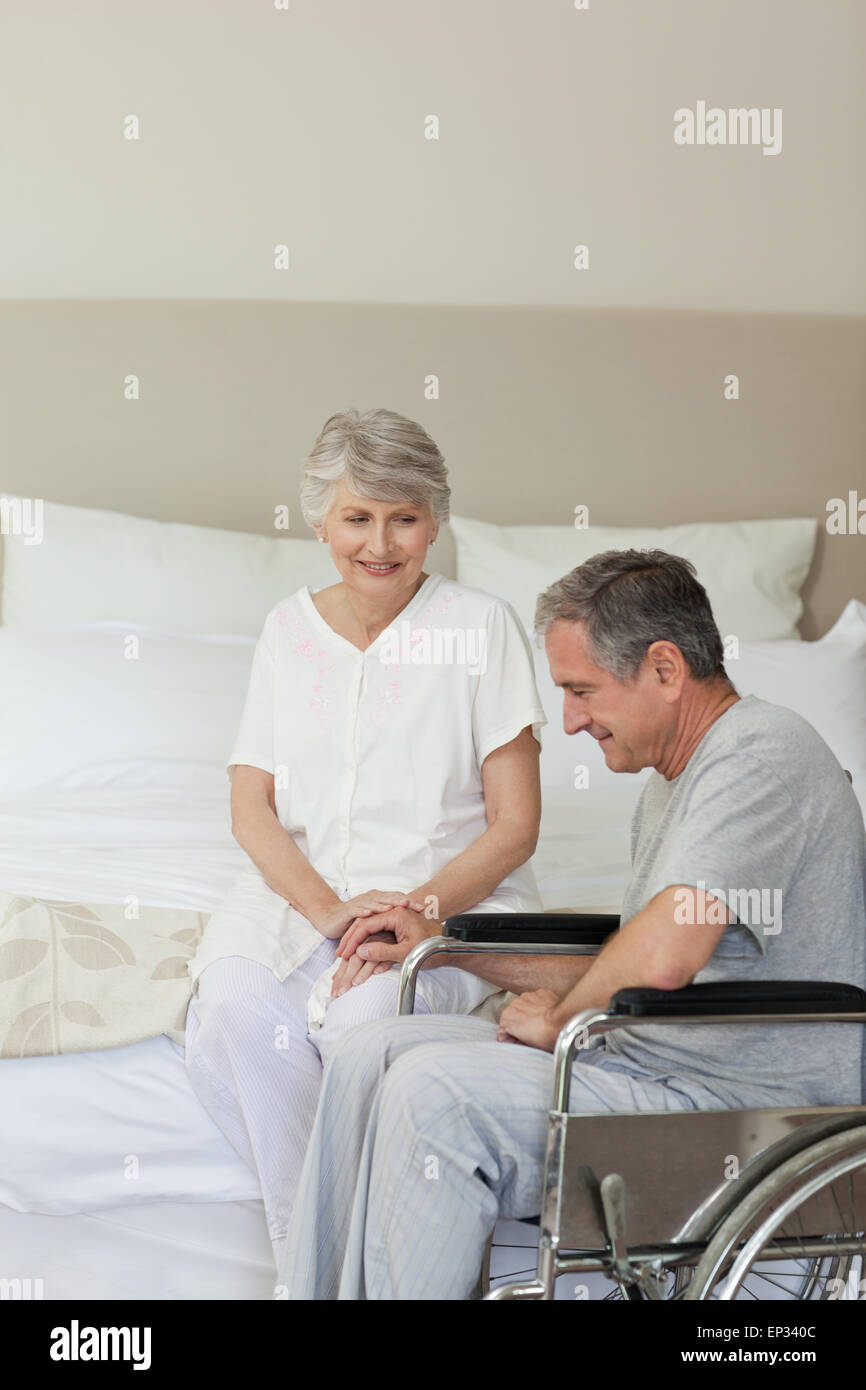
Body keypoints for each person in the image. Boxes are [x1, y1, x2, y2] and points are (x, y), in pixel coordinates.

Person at [275, 548, 866, 1300]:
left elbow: (660, 959)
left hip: (744, 1113)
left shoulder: (761, 755)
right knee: (370, 1052)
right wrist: (446, 948)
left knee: (435, 1094)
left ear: (664, 668)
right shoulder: (673, 782)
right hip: (653, 1064)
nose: (570, 720)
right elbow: (625, 959)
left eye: (582, 690)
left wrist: (561, 1021)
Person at [183, 407, 547, 1263]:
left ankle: (331, 1267)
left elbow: (517, 824)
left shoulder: (481, 626)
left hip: (445, 900)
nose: (380, 542)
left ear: (435, 521)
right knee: (233, 1006)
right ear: (320, 520)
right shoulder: (287, 630)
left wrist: (411, 914)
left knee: (365, 1031)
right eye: (357, 517)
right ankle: (317, 1255)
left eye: (404, 517)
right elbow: (251, 808)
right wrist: (330, 912)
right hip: (307, 896)